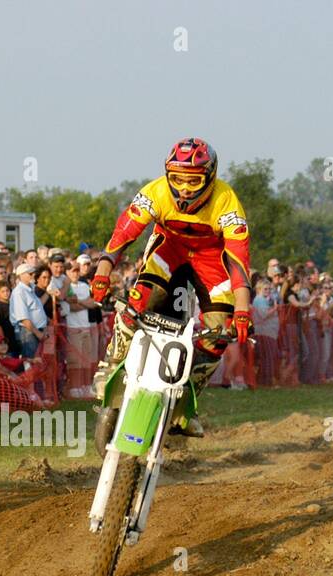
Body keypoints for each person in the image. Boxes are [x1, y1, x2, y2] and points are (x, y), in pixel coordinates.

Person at [89, 138, 253, 439]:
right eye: (178, 179)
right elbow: (125, 232)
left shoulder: (227, 202)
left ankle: (186, 403)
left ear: (210, 177)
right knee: (139, 301)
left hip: (211, 259)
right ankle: (110, 364)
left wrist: (242, 308)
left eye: (194, 180)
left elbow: (239, 262)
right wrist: (102, 272)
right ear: (167, 175)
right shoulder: (155, 192)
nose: (186, 188)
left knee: (219, 331)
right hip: (170, 249)